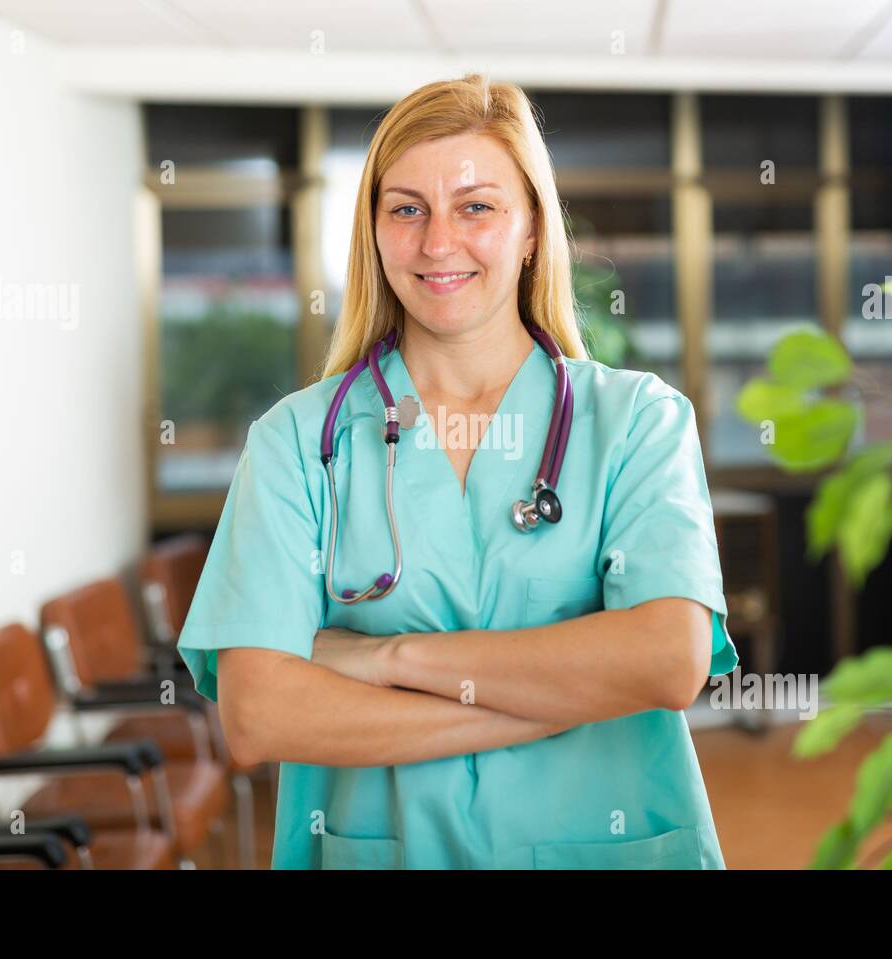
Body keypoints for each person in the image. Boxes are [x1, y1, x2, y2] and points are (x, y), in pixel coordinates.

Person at [177, 72, 740, 869]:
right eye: (407, 209)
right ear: (374, 232)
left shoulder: (637, 422)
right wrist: (559, 702)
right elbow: (261, 714)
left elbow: (667, 659)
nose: (438, 242)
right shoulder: (297, 444)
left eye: (476, 206)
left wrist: (384, 658)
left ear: (533, 228)